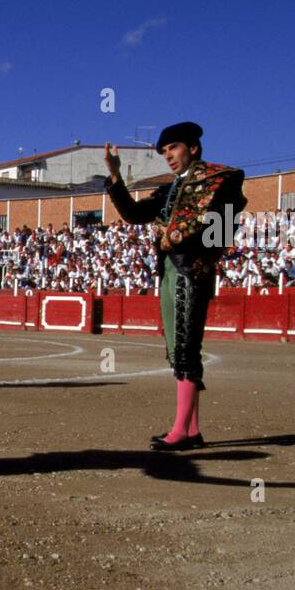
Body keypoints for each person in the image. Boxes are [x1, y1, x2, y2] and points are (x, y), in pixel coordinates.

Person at [103, 123, 246, 450]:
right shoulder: (169, 190)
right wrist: (115, 176)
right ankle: (191, 430)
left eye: (174, 148)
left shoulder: (222, 178)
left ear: (193, 148)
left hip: (192, 269)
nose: (168, 156)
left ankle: (181, 431)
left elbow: (221, 232)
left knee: (186, 346)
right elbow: (134, 214)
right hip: (168, 269)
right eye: (165, 152)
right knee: (177, 345)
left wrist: (191, 247)